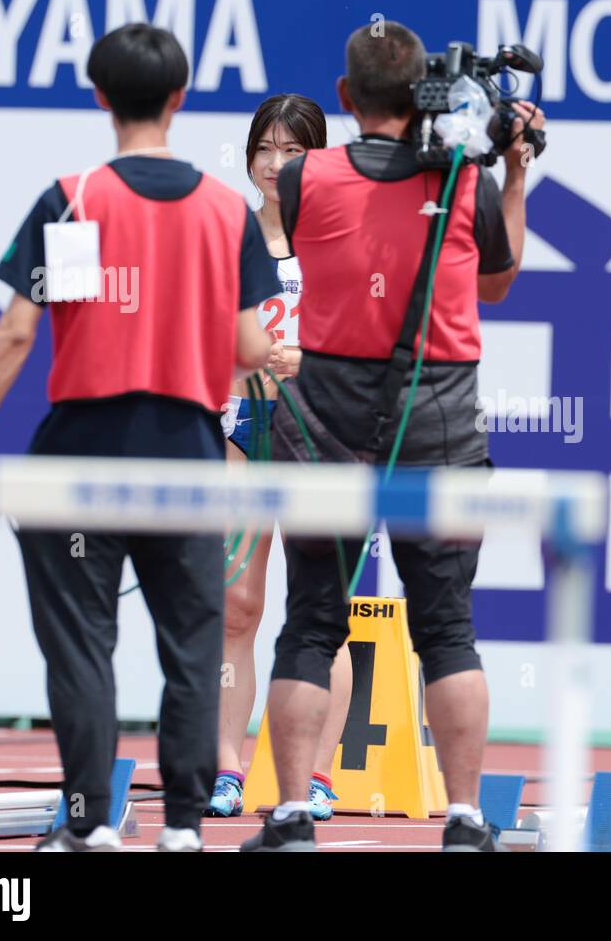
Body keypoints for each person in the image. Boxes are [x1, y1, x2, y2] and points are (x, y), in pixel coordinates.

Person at [0, 23, 279, 851]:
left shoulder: (75, 198)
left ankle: (90, 824)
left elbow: (21, 333)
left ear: (101, 97)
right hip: (186, 448)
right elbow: (250, 351)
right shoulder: (223, 212)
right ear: (179, 99)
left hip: (82, 452)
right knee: (192, 645)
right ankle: (180, 826)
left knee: (80, 646)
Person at [239, 20, 543, 852]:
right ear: (424, 98)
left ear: (342, 98)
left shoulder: (301, 179)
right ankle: (467, 817)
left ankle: (294, 812)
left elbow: (321, 232)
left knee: (310, 622)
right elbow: (501, 280)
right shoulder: (464, 181)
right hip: (440, 416)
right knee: (447, 627)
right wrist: (511, 169)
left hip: (326, 415)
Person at [207, 93, 355, 821]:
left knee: (320, 610)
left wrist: (310, 360)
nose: (274, 164)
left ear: (317, 158)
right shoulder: (226, 234)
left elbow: (375, 341)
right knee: (235, 605)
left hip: (322, 435)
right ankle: (226, 768)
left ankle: (317, 775)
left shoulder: (339, 236)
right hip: (245, 431)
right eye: (264, 148)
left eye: (292, 150)